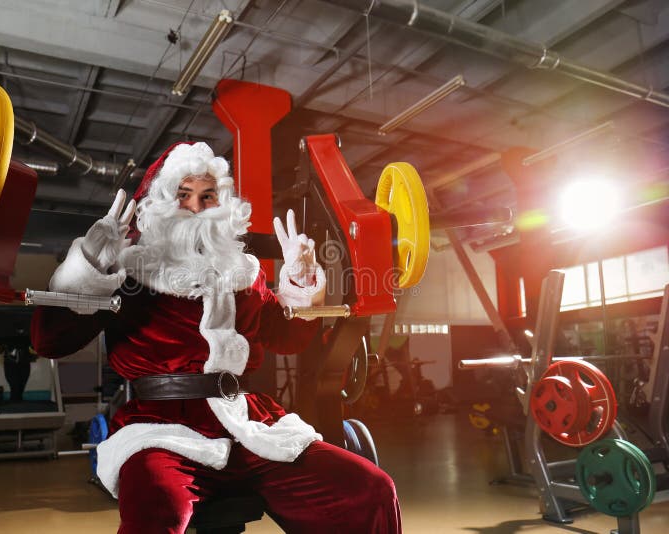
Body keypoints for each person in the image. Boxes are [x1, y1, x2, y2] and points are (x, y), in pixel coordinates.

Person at [30, 141, 402, 533]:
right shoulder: (127, 273)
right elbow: (49, 341)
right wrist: (88, 267)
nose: (196, 206)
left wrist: (300, 281)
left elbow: (289, 339)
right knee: (158, 511)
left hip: (249, 424)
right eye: (183, 194)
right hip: (159, 431)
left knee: (371, 490)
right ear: (161, 203)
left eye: (207, 196)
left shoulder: (244, 273)